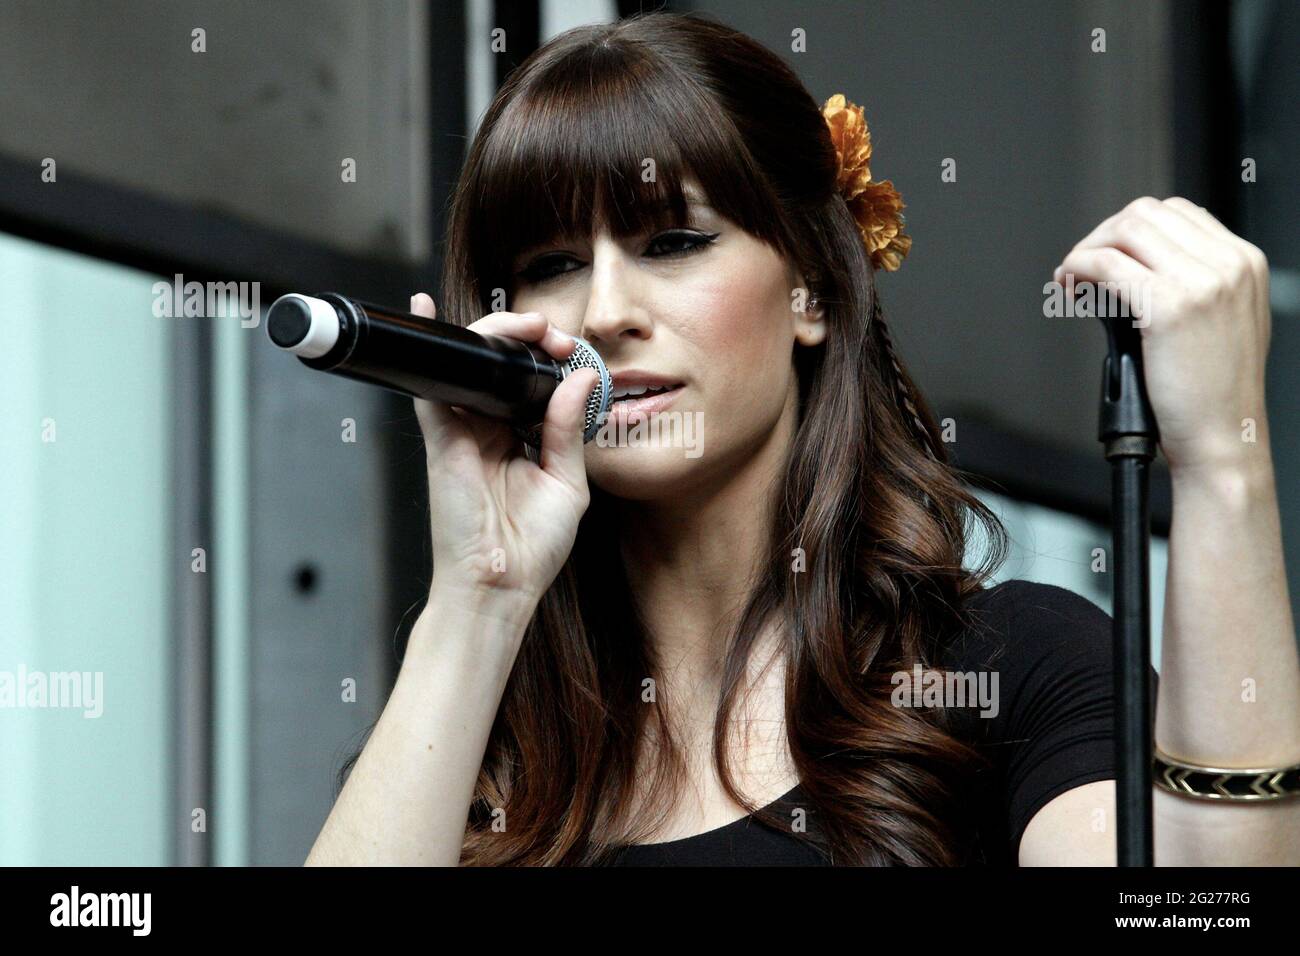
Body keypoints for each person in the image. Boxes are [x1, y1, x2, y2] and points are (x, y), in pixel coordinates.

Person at [305, 11, 1299, 866]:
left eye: (672, 242)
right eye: (553, 262)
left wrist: (1224, 466)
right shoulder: (477, 749)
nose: (605, 309)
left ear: (811, 291)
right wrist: (477, 597)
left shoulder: (1013, 669)